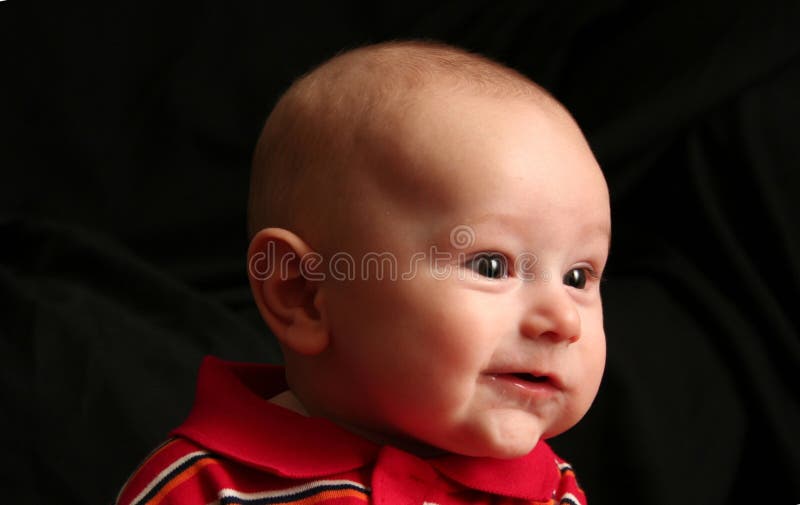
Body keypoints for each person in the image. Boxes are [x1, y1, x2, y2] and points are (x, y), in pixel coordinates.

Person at [116, 40, 611, 505]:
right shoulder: (202, 487)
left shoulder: (551, 488)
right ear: (303, 293)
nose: (563, 320)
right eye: (491, 265)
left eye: (578, 277)